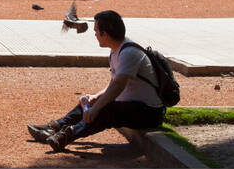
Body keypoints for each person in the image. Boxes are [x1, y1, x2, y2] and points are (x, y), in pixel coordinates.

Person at [27, 10, 165, 152]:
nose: (95, 35)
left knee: (106, 109)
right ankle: (55, 127)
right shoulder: (116, 49)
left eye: (96, 31)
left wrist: (96, 108)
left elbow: (118, 86)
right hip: (132, 106)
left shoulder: (129, 53)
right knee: (91, 102)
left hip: (149, 112)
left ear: (105, 33)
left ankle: (67, 135)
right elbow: (113, 83)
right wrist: (94, 98)